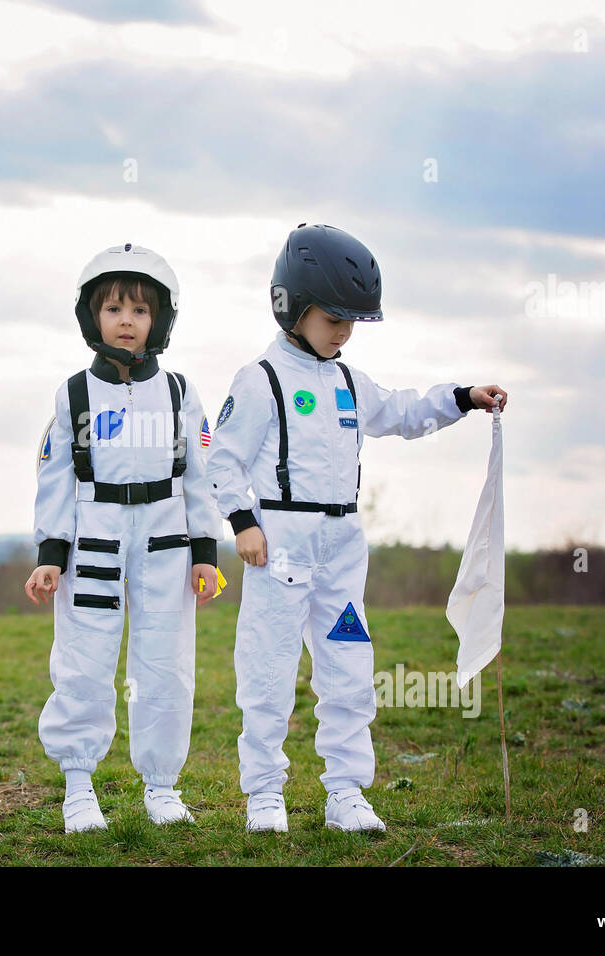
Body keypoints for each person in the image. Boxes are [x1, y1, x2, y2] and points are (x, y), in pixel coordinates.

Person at [206, 224, 509, 833]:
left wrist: (463, 398)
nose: (343, 332)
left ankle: (345, 791)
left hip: (342, 550)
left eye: (352, 322)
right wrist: (243, 523)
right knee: (267, 674)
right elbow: (223, 461)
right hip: (279, 549)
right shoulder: (260, 380)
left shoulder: (347, 382)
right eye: (333, 319)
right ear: (291, 306)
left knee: (348, 671)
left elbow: (401, 411)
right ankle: (264, 793)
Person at [25, 243, 222, 834]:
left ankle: (161, 785)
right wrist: (50, 556)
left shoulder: (181, 394)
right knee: (84, 660)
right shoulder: (74, 395)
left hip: (166, 539)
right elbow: (54, 478)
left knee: (165, 663)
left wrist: (206, 554)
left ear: (160, 320)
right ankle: (79, 785)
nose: (127, 321)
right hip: (94, 540)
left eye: (140, 310)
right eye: (113, 309)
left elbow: (201, 479)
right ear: (93, 317)